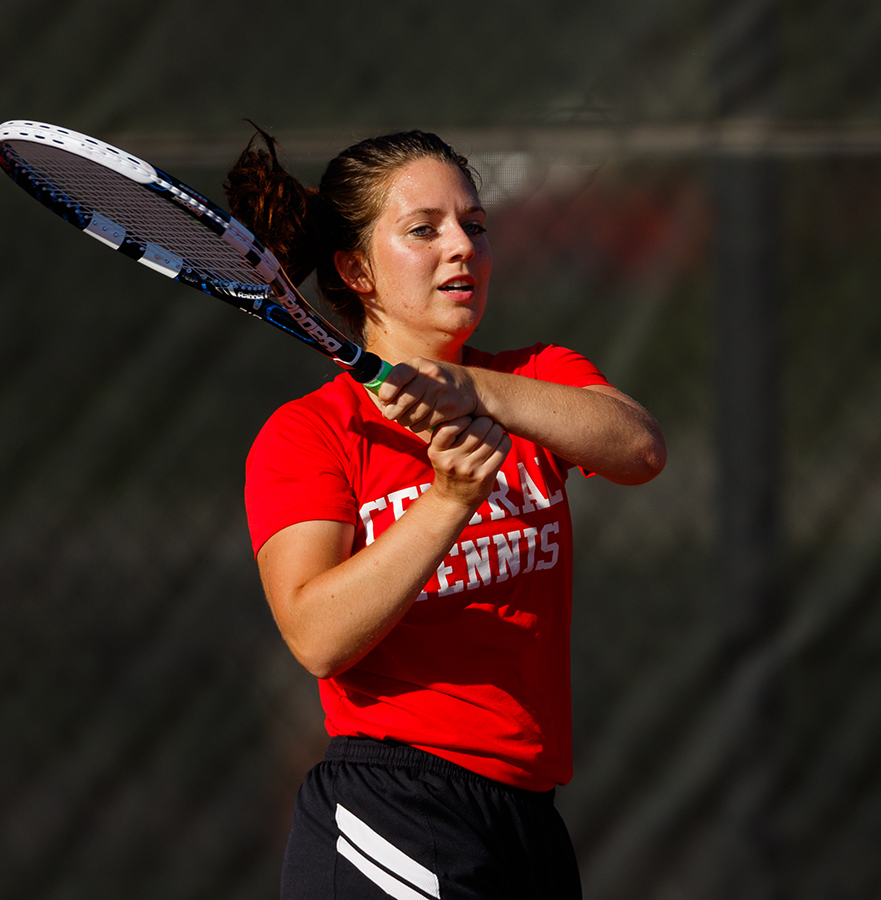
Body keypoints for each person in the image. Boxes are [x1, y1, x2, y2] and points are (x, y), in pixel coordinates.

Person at [229, 129, 666, 899]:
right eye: (424, 229)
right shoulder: (310, 434)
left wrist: (477, 391)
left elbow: (638, 448)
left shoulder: (535, 380)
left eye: (476, 225)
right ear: (355, 269)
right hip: (393, 807)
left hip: (528, 819)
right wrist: (447, 503)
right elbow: (317, 636)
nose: (462, 247)